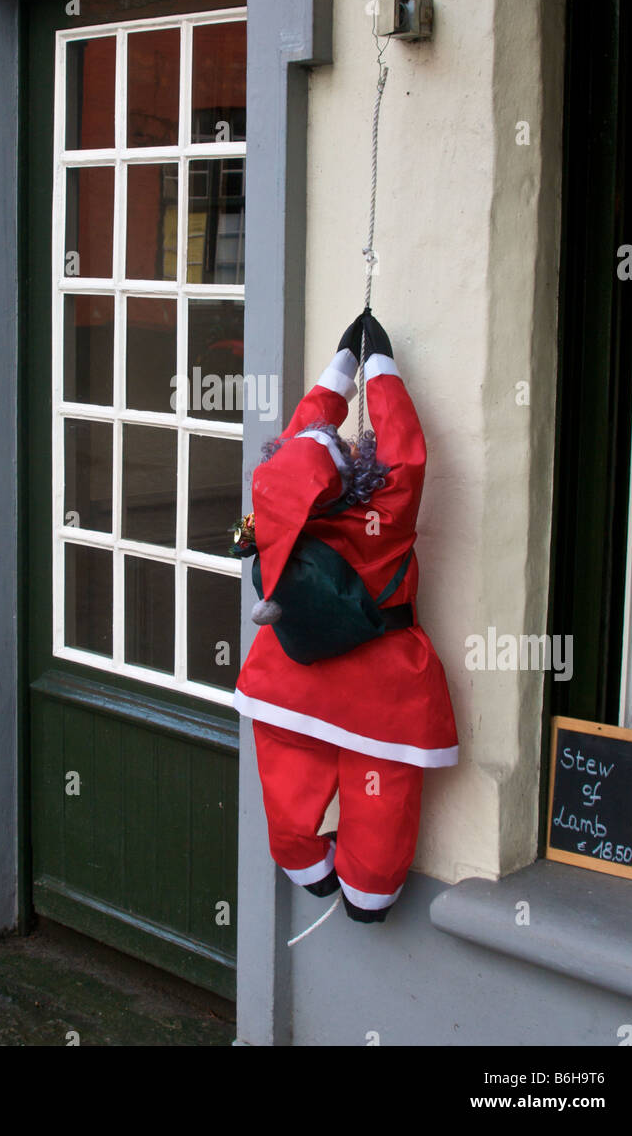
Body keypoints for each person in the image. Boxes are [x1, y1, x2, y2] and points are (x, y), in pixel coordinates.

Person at [233, 309, 458, 922]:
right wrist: (374, 368)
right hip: (378, 684)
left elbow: (297, 444)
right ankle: (368, 891)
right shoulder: (383, 508)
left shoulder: (275, 508)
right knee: (379, 788)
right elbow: (406, 452)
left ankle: (305, 863)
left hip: (290, 675)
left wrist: (338, 371)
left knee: (287, 774)